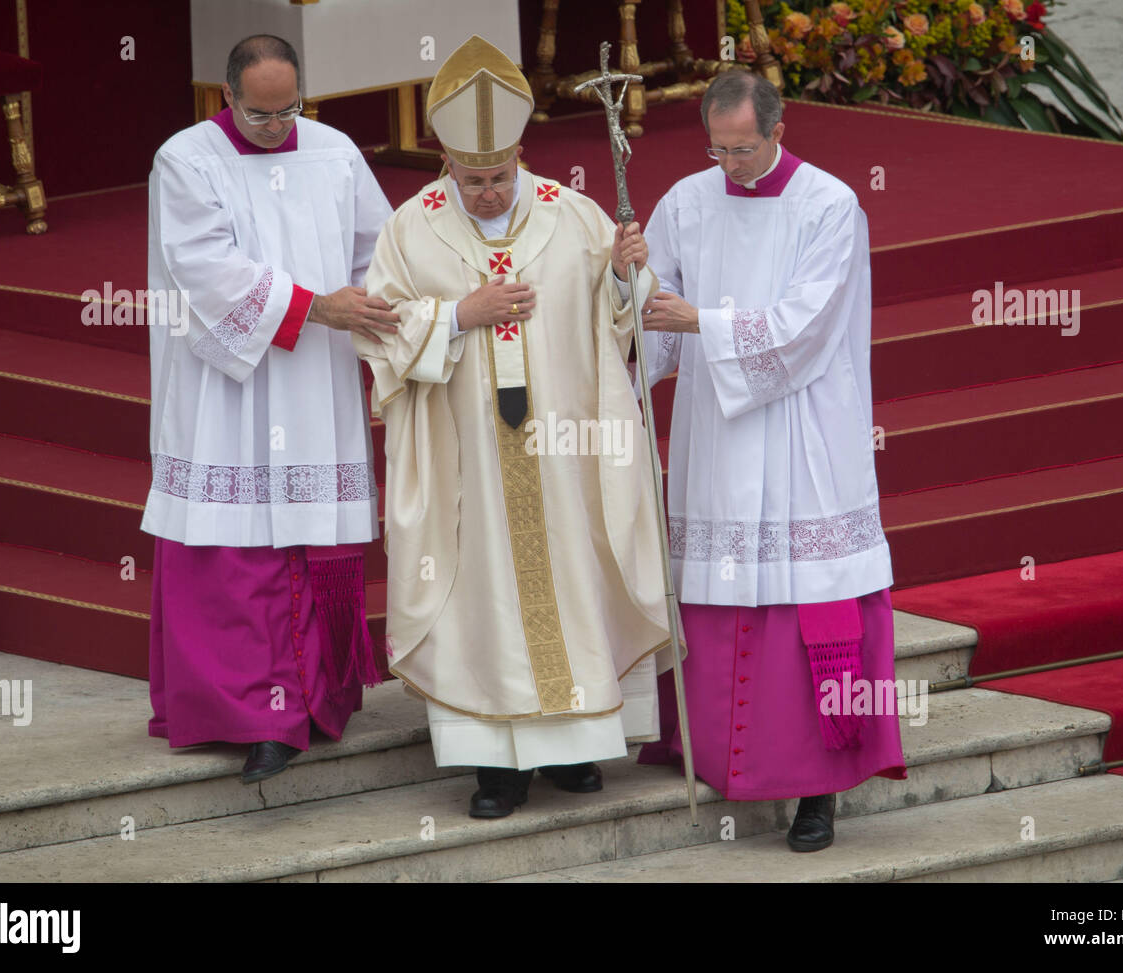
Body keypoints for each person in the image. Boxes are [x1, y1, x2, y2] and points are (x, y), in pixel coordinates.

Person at [357, 34, 675, 818]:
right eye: (474, 179)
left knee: (575, 578)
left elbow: (626, 317)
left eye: (499, 176)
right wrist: (462, 314)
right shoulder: (411, 227)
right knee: (482, 599)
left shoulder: (575, 215)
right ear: (447, 163)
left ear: (521, 155)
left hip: (564, 453)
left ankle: (577, 748)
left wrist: (632, 269)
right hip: (469, 463)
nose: (490, 191)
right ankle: (493, 763)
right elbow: (378, 326)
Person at [636, 69, 906, 851]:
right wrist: (629, 283)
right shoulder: (687, 200)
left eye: (744, 150)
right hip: (716, 434)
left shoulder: (830, 206)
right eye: (718, 149)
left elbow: (805, 328)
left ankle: (820, 792)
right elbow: (650, 322)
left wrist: (701, 322)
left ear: (779, 132)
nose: (731, 166)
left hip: (803, 432)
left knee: (808, 599)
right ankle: (713, 751)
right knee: (720, 593)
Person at [142, 34, 398, 783]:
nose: (279, 125)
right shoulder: (185, 160)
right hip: (230, 387)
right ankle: (254, 714)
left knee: (309, 538)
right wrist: (318, 306)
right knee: (238, 547)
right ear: (227, 98)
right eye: (261, 114)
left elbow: (378, 249)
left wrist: (383, 312)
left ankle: (318, 699)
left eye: (291, 108)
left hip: (315, 382)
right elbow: (203, 269)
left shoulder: (334, 151)